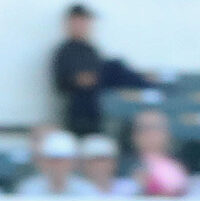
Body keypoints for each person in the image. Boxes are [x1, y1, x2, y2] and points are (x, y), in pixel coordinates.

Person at [51, 4, 144, 137]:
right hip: (79, 114)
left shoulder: (91, 50)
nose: (84, 25)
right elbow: (68, 82)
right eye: (80, 20)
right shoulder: (65, 51)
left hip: (99, 110)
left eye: (86, 21)